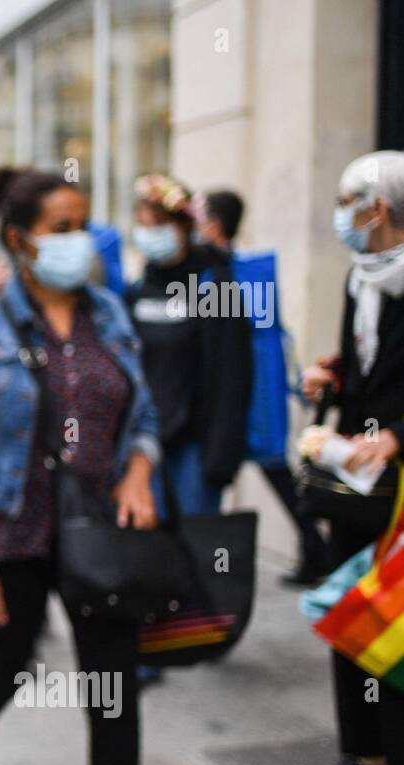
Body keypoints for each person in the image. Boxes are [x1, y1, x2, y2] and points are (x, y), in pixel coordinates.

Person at [0, 166, 160, 765]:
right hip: (11, 530)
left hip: (98, 529)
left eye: (84, 225)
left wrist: (141, 474)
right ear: (18, 239)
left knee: (115, 694)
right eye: (61, 228)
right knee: (5, 667)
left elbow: (143, 415)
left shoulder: (110, 313)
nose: (80, 241)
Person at [301, 150, 404, 765]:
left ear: (379, 209)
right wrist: (336, 379)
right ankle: (366, 755)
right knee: (351, 615)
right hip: (357, 474)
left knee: (400, 624)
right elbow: (376, 364)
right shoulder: (363, 276)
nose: (341, 211)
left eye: (349, 199)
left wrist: (402, 434)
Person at [197, 189, 333, 586]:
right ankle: (315, 550)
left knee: (246, 472)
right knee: (272, 472)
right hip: (254, 392)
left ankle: (313, 550)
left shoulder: (226, 275)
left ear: (215, 224)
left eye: (200, 216)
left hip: (248, 392)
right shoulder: (242, 272)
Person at [126, 174, 252, 518]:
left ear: (184, 226)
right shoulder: (138, 290)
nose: (149, 236)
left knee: (196, 551)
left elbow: (233, 373)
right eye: (143, 226)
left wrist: (222, 456)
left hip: (196, 447)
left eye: (158, 226)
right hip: (145, 446)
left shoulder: (216, 286)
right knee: (146, 551)